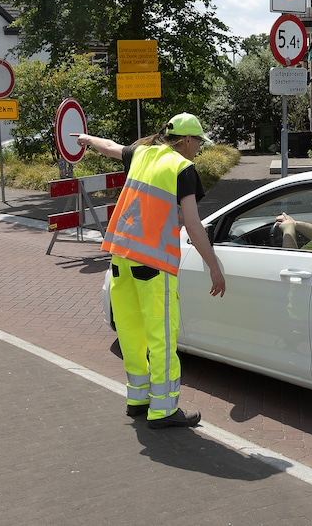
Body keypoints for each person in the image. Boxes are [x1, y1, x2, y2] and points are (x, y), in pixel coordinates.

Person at [74, 113, 226, 429]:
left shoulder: (142, 153)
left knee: (131, 332)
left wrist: (87, 140)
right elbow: (194, 226)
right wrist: (214, 267)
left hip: (120, 259)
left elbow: (111, 147)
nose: (198, 148)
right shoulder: (181, 168)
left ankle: (138, 399)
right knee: (162, 337)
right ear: (187, 140)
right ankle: (164, 410)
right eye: (198, 142)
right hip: (153, 264)